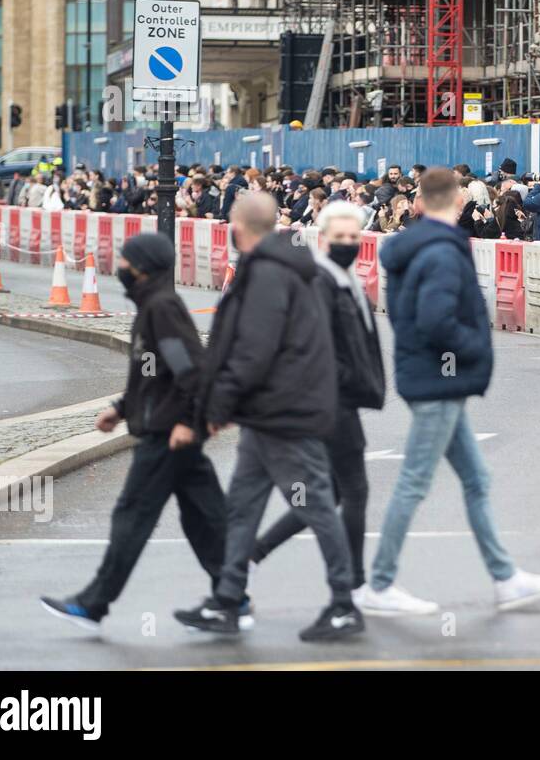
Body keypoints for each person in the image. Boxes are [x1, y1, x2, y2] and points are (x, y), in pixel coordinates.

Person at [357, 168, 540, 616]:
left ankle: (506, 577)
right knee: (414, 482)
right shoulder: (442, 252)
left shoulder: (410, 248)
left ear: (417, 203)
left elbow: (405, 315)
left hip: (426, 376)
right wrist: (476, 349)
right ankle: (379, 583)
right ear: (455, 201)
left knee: (476, 479)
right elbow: (437, 320)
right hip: (438, 382)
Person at [174, 192, 363, 642]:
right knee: (241, 508)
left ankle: (342, 604)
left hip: (283, 414)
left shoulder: (267, 275)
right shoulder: (284, 268)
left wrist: (216, 409)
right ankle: (226, 599)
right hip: (270, 414)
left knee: (315, 505)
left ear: (239, 228)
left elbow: (251, 352)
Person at [41, 233, 231, 631]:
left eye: (126, 261)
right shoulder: (152, 308)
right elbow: (151, 374)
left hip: (167, 435)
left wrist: (188, 422)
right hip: (168, 428)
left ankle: (94, 603)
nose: (120, 268)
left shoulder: (162, 309)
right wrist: (120, 409)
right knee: (205, 518)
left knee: (132, 516)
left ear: (142, 268)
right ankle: (232, 598)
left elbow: (190, 371)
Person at [251, 202, 386, 592]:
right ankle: (356, 586)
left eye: (354, 237)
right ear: (323, 239)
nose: (348, 243)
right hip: (333, 402)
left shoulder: (345, 279)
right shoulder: (322, 283)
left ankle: (254, 555)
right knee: (354, 491)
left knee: (329, 493)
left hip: (338, 399)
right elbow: (317, 348)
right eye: (340, 237)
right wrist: (350, 382)